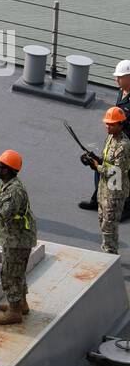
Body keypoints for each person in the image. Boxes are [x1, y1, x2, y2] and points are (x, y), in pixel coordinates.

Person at [0, 149, 36, 326]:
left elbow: (2, 214)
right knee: (17, 271)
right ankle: (21, 303)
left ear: (7, 170)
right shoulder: (9, 185)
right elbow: (1, 192)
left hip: (17, 239)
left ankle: (14, 311)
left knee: (10, 274)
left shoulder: (14, 191)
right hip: (15, 236)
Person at [79, 60, 130, 216]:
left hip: (126, 143)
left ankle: (124, 208)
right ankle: (97, 199)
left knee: (121, 175)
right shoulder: (121, 91)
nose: (117, 79)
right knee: (100, 165)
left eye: (120, 77)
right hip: (114, 137)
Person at [84, 106, 130, 255]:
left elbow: (116, 171)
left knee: (109, 224)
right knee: (103, 220)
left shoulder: (123, 145)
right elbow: (106, 160)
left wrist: (97, 167)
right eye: (107, 123)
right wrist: (94, 159)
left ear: (120, 125)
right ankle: (109, 249)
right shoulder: (110, 138)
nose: (107, 126)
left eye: (111, 124)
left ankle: (110, 254)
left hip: (115, 191)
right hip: (104, 188)